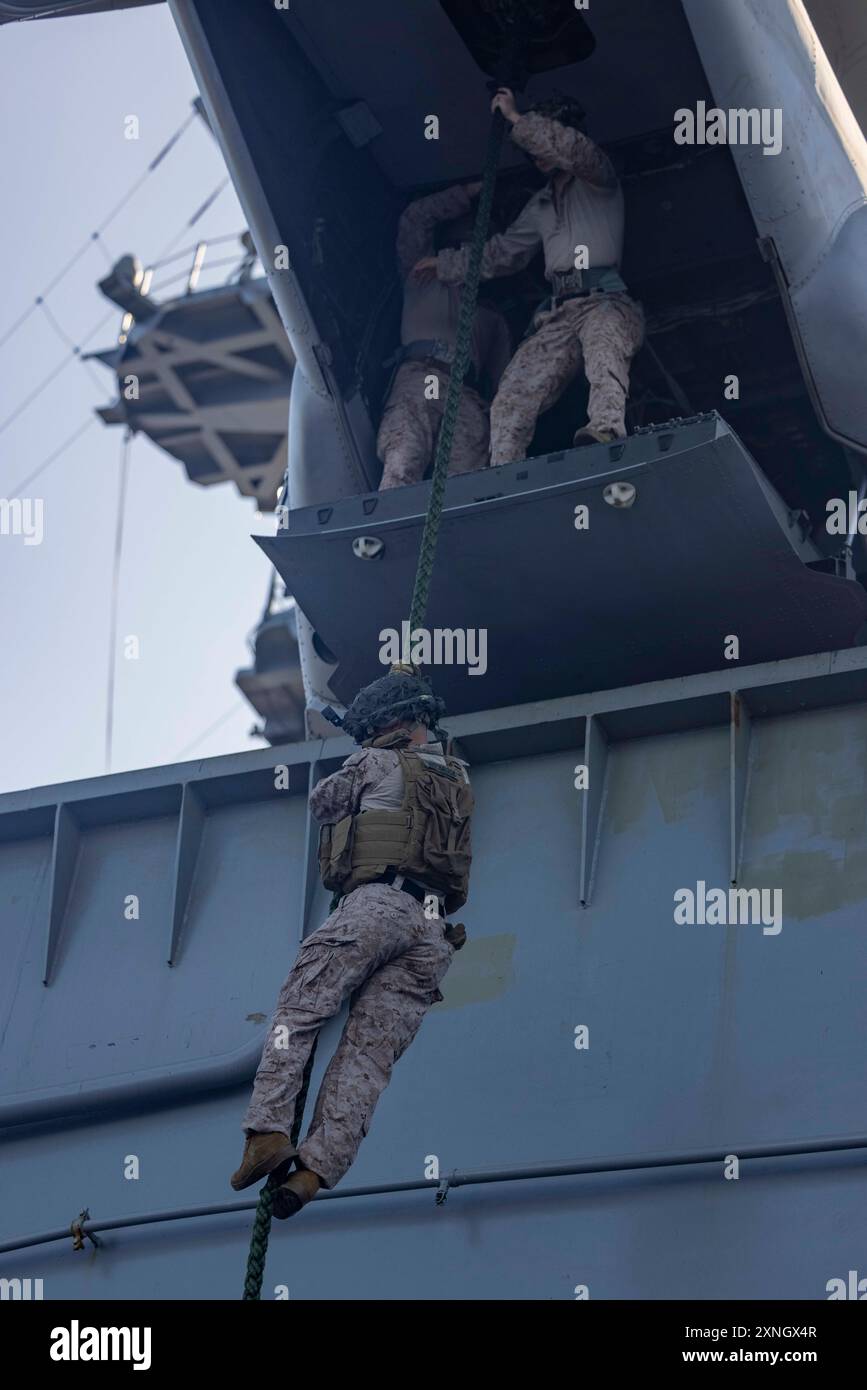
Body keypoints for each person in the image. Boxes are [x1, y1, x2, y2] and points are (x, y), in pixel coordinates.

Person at [230, 667, 472, 1218]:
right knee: (369, 1055)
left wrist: (363, 751)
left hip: (379, 906)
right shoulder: (457, 772)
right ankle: (315, 1170)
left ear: (392, 722)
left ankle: (267, 1132)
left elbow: (323, 803)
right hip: (432, 932)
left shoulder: (374, 761)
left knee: (301, 1008)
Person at [411, 88, 644, 463]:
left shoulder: (599, 177)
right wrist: (445, 264)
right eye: (530, 149)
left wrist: (517, 119)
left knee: (604, 354)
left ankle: (606, 432)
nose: (536, 154)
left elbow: (573, 149)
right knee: (512, 394)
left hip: (605, 301)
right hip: (559, 314)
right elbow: (503, 253)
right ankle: (504, 469)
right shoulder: (541, 204)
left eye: (542, 141)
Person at [378, 183, 511, 489]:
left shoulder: (493, 319)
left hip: (465, 395)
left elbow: (502, 386)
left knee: (466, 485)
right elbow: (415, 218)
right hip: (421, 376)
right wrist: (470, 192)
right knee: (403, 460)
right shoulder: (421, 275)